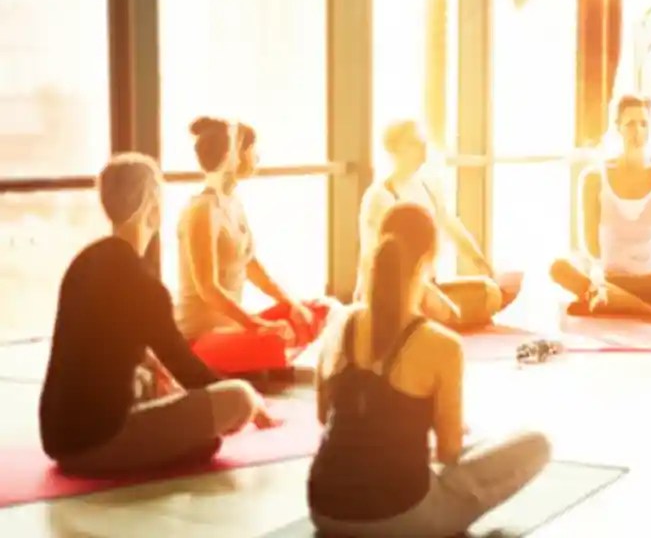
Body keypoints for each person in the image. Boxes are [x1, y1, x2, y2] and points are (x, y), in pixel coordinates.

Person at [308, 202, 551, 536]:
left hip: (325, 510)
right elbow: (449, 452)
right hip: (401, 519)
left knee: (471, 451)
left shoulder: (340, 323)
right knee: (536, 444)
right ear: (427, 262)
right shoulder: (442, 344)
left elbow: (325, 417)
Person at [39, 153, 277, 477]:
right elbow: (188, 369)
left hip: (55, 438)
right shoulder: (141, 281)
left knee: (156, 381)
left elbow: (96, 344)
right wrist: (253, 402)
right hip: (98, 443)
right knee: (239, 398)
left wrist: (152, 368)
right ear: (152, 202)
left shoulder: (83, 263)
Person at [176, 117, 334, 375]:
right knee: (275, 339)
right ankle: (263, 359)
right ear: (232, 155)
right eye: (250, 149)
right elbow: (208, 289)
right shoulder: (201, 211)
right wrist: (256, 325)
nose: (256, 157)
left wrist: (291, 304)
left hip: (234, 330)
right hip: (201, 339)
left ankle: (264, 360)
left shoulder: (233, 203)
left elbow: (250, 264)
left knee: (319, 309)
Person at [548, 94, 651, 317]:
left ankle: (609, 302)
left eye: (644, 124)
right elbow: (591, 247)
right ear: (618, 129)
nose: (638, 131)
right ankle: (646, 308)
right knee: (559, 268)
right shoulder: (593, 178)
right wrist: (601, 273)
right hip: (613, 277)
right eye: (630, 124)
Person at [357, 120, 520, 331]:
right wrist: (427, 293)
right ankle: (419, 322)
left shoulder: (428, 186)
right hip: (394, 293)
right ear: (393, 149)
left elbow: (452, 227)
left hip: (428, 285)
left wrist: (482, 263)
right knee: (438, 307)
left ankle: (431, 320)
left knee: (490, 293)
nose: (422, 148)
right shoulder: (380, 196)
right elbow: (374, 260)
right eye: (414, 143)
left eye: (423, 142)